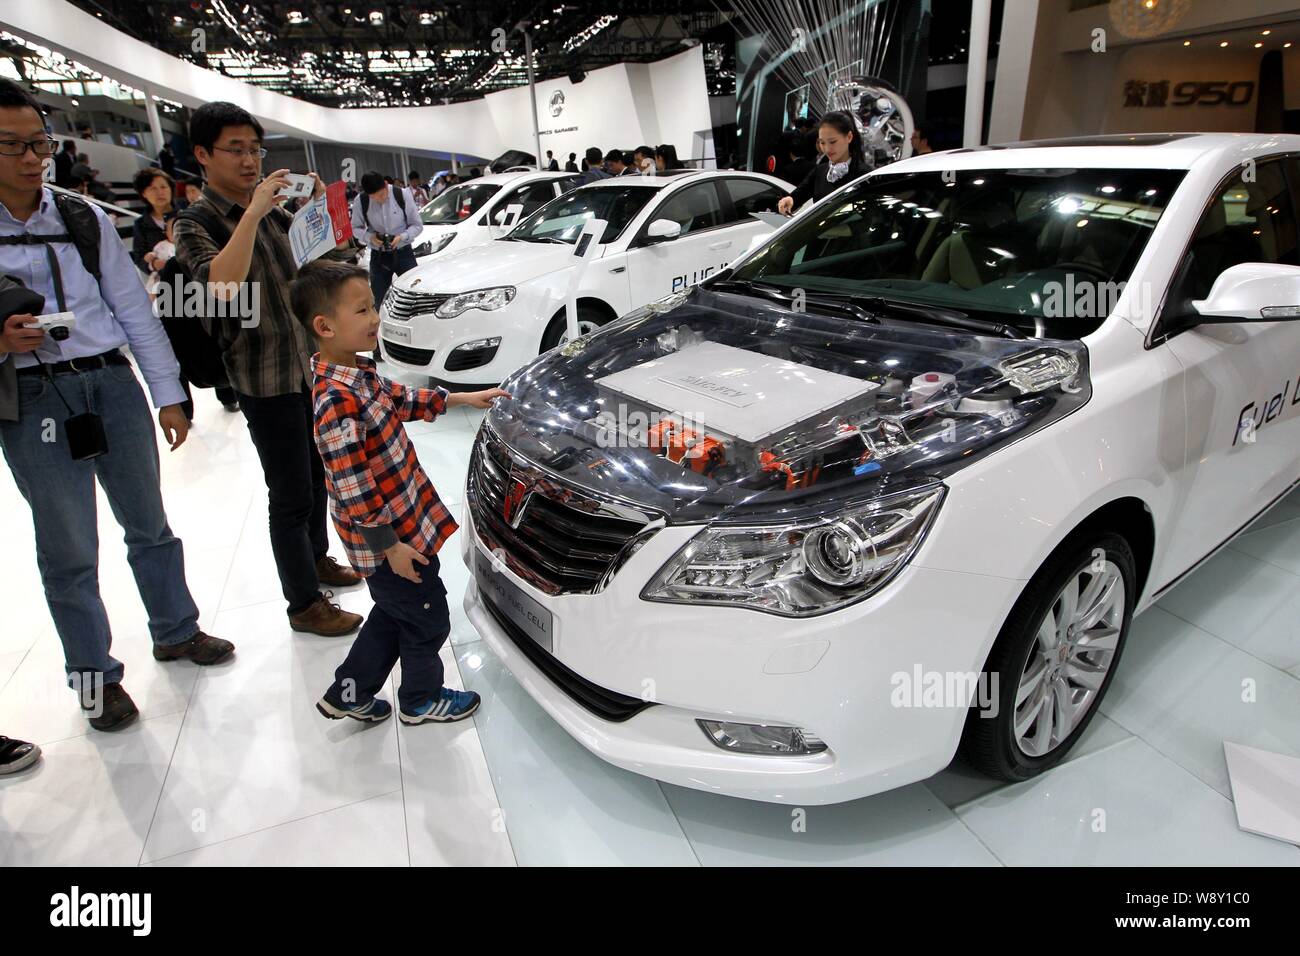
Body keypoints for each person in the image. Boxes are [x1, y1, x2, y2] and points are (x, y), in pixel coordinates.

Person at [0, 79, 234, 732]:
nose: (30, 158)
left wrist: (168, 393)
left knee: (150, 522)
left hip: (110, 382)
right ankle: (94, 680)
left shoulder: (80, 215)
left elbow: (133, 309)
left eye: (38, 143)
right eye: (11, 145)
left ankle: (176, 630)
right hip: (31, 395)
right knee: (68, 549)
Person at [172, 100, 364, 637]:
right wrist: (253, 213)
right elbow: (221, 286)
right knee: (290, 493)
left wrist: (328, 226)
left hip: (310, 370)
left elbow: (321, 273)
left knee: (319, 477)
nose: (250, 160)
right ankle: (303, 603)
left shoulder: (279, 214)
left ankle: (318, 559)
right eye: (236, 149)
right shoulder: (197, 222)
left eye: (255, 149)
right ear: (203, 155)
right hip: (262, 377)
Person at [290, 260, 505, 724]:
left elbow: (401, 399)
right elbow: (354, 491)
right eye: (362, 310)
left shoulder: (358, 373)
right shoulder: (335, 402)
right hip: (390, 539)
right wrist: (390, 549)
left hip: (404, 523)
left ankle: (349, 693)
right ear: (324, 326)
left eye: (374, 306)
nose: (375, 319)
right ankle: (420, 700)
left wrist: (462, 398)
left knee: (395, 614)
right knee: (427, 617)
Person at [352, 170, 422, 318]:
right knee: (378, 300)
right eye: (374, 198)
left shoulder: (402, 194)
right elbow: (355, 228)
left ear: (386, 184)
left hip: (404, 252)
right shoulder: (361, 200)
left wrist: (402, 237)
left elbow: (417, 225)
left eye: (382, 195)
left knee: (415, 294)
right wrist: (370, 237)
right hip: (379, 257)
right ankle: (382, 334)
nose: (379, 200)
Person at [777, 111, 868, 215]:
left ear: (849, 137)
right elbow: (800, 193)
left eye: (833, 142)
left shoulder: (865, 175)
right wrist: (790, 200)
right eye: (822, 142)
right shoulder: (820, 171)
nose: (827, 149)